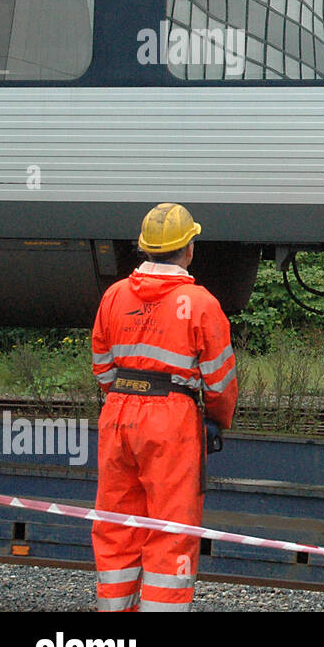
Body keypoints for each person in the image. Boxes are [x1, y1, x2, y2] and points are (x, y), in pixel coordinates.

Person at [90, 202, 237, 612]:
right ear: (188, 249)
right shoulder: (200, 303)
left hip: (118, 414)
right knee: (171, 531)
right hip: (171, 420)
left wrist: (124, 397)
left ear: (143, 249)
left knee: (116, 526)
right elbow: (221, 380)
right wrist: (215, 419)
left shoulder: (114, 296)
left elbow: (102, 365)